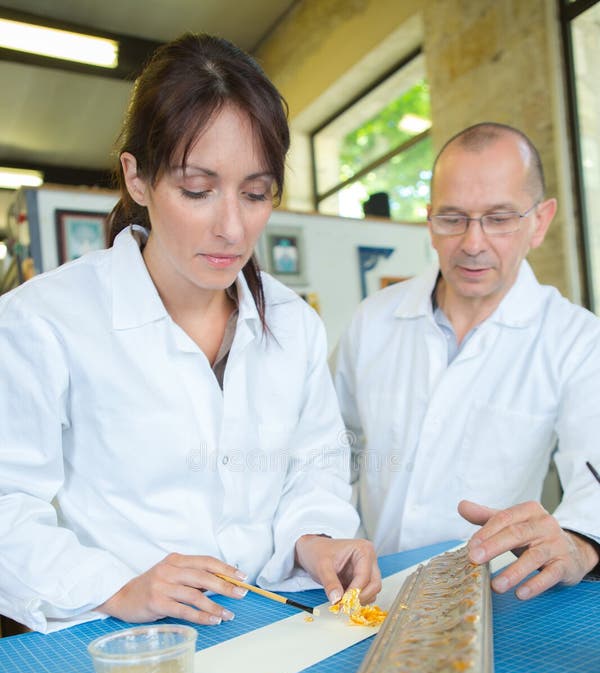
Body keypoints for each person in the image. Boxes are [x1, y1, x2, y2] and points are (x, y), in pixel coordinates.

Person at [0, 33, 380, 633]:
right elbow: (6, 505)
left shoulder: (293, 326)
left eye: (255, 193)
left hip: (272, 622)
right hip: (126, 639)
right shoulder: (45, 321)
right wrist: (119, 586)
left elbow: (316, 469)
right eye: (198, 191)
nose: (232, 227)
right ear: (138, 179)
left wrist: (318, 541)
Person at [335, 122, 600, 601]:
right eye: (453, 219)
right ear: (429, 220)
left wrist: (579, 542)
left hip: (495, 596)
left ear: (539, 222)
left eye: (499, 219)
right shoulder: (372, 320)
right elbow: (332, 449)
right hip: (371, 590)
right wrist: (325, 533)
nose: (473, 243)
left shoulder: (575, 338)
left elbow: (597, 473)